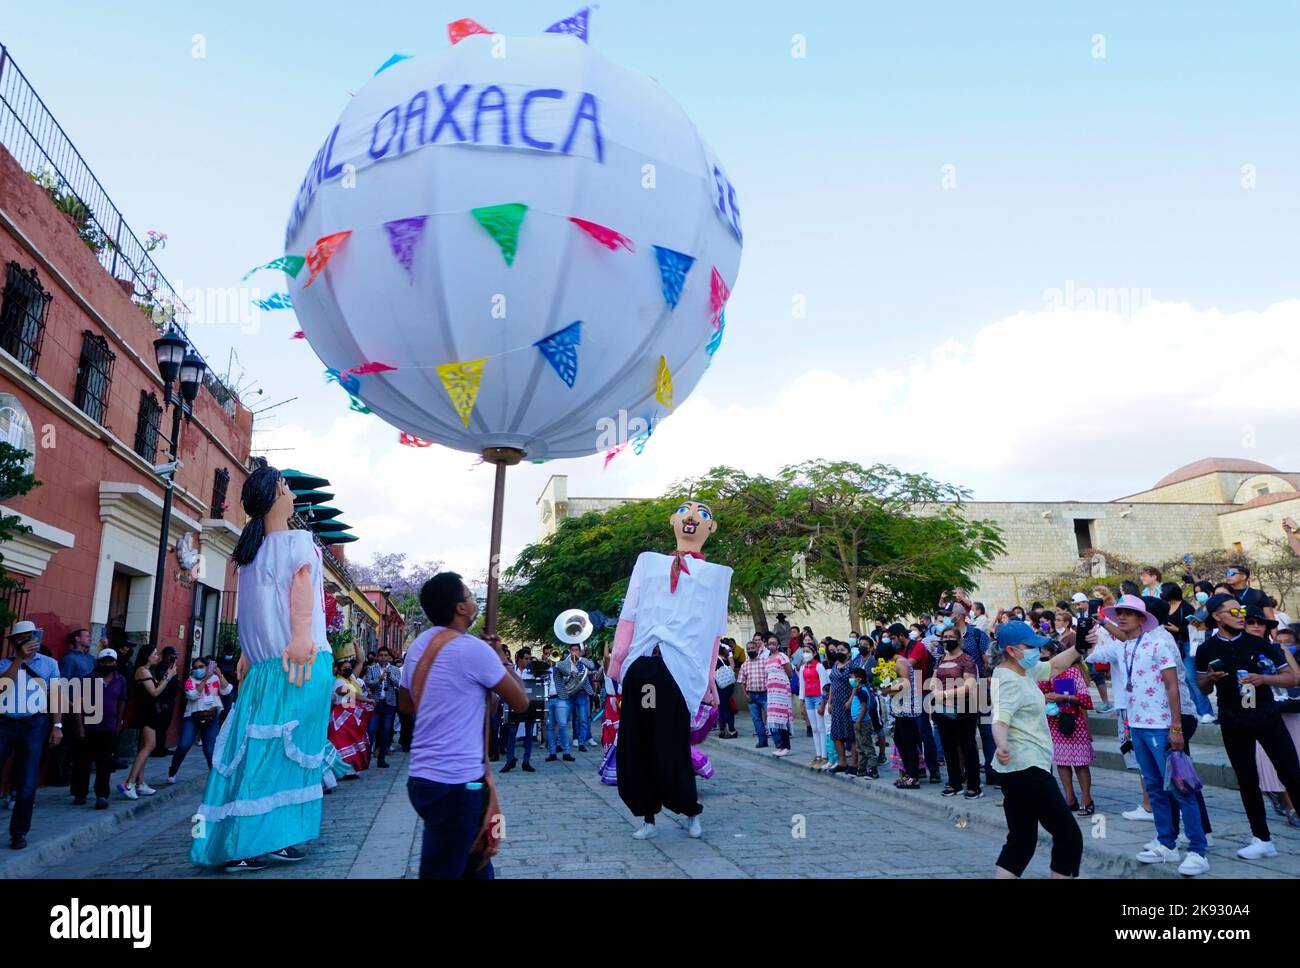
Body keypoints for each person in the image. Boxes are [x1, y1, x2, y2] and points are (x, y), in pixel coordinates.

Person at [191, 463, 351, 873]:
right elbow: (300, 593)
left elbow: (250, 611)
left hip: (265, 666)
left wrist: (248, 654)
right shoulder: (296, 542)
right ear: (277, 492)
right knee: (279, 754)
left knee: (260, 751)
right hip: (297, 662)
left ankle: (268, 838)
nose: (292, 493)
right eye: (286, 486)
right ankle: (253, 841)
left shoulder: (250, 555)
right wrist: (300, 638)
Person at [607, 500, 731, 841]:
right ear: (673, 521)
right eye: (685, 511)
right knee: (638, 741)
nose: (691, 517)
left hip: (680, 672)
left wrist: (708, 678)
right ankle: (647, 816)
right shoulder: (648, 564)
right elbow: (630, 613)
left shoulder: (717, 576)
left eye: (702, 514)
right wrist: (617, 661)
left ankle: (690, 809)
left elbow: (713, 630)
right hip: (645, 666)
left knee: (673, 743)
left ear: (711, 528)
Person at [398, 573, 528, 878]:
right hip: (458, 784)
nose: (474, 602)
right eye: (470, 596)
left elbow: (405, 705)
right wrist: (499, 657)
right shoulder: (474, 649)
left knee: (478, 861)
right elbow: (521, 702)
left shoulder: (419, 646)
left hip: (422, 778)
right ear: (460, 608)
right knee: (445, 869)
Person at [1197, 594, 1300, 860]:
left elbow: (1290, 678)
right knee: (1247, 780)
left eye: (1241, 610)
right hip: (1233, 719)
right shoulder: (1206, 649)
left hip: (1266, 716)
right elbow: (1201, 686)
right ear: (1217, 616)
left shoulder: (1261, 643)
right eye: (1234, 611)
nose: (1241, 615)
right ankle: (1262, 838)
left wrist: (1263, 679)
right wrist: (1210, 677)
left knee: (1291, 772)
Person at [988, 621, 1085, 879]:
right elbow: (999, 719)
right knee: (1069, 836)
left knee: (1022, 840)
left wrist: (1079, 646)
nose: (1035, 651)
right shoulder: (1009, 680)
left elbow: (1053, 666)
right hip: (1026, 767)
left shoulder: (1020, 670)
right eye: (1029, 646)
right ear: (1011, 650)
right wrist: (1002, 744)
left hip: (1021, 767)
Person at [0, 621, 61, 849]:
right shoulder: (4, 664)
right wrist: (19, 660)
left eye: (33, 636)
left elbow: (55, 696)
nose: (31, 641)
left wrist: (57, 726)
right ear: (16, 642)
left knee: (27, 783)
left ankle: (18, 832)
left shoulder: (49, 664)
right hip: (5, 724)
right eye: (25, 637)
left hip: (34, 725)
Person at [1035, 639, 1094, 815]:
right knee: (1061, 762)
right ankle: (1069, 797)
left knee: (1081, 763)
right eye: (1041, 654)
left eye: (1047, 653)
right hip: (1053, 723)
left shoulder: (1072, 672)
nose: (1043, 657)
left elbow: (1086, 700)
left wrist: (1063, 697)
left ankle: (1086, 798)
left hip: (1074, 722)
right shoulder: (1040, 674)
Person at [71, 648, 126, 810]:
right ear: (99, 662)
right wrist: (79, 726)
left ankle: (102, 794)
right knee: (82, 762)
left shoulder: (120, 680)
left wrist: (118, 723)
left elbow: (122, 701)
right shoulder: (88, 679)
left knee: (104, 763)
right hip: (88, 726)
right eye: (105, 661)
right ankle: (80, 793)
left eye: (111, 661)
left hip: (108, 728)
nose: (108, 664)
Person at [119, 645, 173, 800]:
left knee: (144, 746)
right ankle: (129, 782)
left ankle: (140, 782)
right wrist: (168, 677)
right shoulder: (142, 670)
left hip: (150, 711)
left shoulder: (149, 671)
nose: (157, 656)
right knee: (150, 745)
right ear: (147, 655)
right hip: (145, 712)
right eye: (155, 654)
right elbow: (155, 692)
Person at [933, 625, 981, 799]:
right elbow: (933, 680)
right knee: (948, 747)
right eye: (944, 637)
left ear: (959, 639)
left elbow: (969, 686)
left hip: (964, 708)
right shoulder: (940, 660)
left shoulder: (967, 659)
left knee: (967, 746)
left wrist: (946, 693)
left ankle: (974, 785)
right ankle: (954, 783)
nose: (946, 640)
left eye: (950, 637)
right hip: (943, 709)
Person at [167, 656, 232, 782]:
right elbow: (192, 695)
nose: (198, 670)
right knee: (184, 745)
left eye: (201, 667)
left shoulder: (215, 679)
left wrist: (220, 675)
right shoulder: (190, 681)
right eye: (195, 667)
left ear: (207, 667)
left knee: (209, 749)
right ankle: (173, 771)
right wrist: (204, 680)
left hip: (211, 716)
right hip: (192, 717)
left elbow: (227, 690)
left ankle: (214, 778)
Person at [49, 628, 93, 786]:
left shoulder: (90, 659)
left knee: (80, 742)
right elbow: (62, 683)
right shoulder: (69, 659)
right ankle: (57, 775)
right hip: (70, 706)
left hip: (86, 706)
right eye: (86, 635)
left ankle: (71, 772)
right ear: (77, 639)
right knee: (65, 742)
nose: (90, 638)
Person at [501, 647, 538, 773]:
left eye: (529, 658)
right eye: (526, 659)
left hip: (530, 705)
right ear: (520, 659)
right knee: (512, 733)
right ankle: (510, 760)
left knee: (529, 733)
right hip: (514, 705)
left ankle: (526, 761)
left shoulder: (533, 672)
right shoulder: (512, 670)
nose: (528, 661)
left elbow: (537, 688)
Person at [364, 646, 401, 768]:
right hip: (375, 703)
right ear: (377, 657)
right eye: (381, 655)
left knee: (386, 732)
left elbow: (398, 684)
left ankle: (382, 759)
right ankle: (366, 759)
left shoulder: (395, 669)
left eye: (385, 655)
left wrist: (389, 675)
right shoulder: (371, 669)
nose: (383, 658)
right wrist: (379, 680)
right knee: (371, 730)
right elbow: (368, 683)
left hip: (389, 704)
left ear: (389, 657)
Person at [557, 643, 597, 752]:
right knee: (564, 719)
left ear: (579, 651)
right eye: (572, 650)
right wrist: (570, 674)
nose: (574, 652)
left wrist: (580, 659)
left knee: (583, 719)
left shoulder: (583, 661)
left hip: (581, 693)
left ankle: (581, 743)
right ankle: (560, 743)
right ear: (570, 651)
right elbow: (562, 677)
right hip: (569, 694)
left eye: (576, 650)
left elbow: (592, 666)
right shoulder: (565, 663)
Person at [799, 639, 829, 767]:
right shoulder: (802, 668)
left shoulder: (819, 666)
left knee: (821, 728)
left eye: (808, 651)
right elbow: (802, 685)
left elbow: (824, 685)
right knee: (814, 728)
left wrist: (823, 701)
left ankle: (824, 755)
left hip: (818, 698)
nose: (806, 654)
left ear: (814, 653)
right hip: (808, 699)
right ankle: (817, 754)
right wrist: (802, 702)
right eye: (804, 651)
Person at [826, 641, 855, 774]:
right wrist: (830, 702)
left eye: (842, 650)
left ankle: (854, 764)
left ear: (848, 653)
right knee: (837, 735)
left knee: (851, 735)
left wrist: (850, 700)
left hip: (848, 703)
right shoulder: (835, 665)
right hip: (836, 704)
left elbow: (856, 685)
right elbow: (832, 684)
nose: (839, 652)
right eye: (837, 650)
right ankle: (842, 762)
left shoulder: (852, 666)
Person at [764, 633, 794, 756]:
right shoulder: (768, 658)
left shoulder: (782, 656)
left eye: (774, 644)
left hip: (781, 691)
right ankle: (781, 745)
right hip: (772, 693)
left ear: (778, 645)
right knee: (775, 717)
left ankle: (786, 746)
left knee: (782, 718)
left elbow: (789, 673)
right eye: (769, 644)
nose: (772, 646)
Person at [849, 666, 880, 778]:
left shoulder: (862, 692)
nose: (850, 680)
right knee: (860, 746)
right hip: (857, 722)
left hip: (862, 723)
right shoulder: (858, 690)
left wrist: (858, 721)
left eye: (852, 677)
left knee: (867, 746)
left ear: (859, 679)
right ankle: (862, 768)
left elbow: (863, 708)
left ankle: (873, 770)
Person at [738, 637, 769, 748]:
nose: (750, 650)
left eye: (752, 648)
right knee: (756, 720)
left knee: (770, 718)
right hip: (751, 696)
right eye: (748, 648)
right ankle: (762, 741)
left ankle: (778, 741)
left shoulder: (765, 661)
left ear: (757, 648)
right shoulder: (745, 665)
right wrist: (745, 695)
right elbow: (741, 681)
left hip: (765, 695)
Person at [714, 644, 738, 739]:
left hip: (722, 687)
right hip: (727, 686)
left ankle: (732, 730)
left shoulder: (716, 660)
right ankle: (723, 730)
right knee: (723, 708)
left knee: (723, 708)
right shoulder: (725, 659)